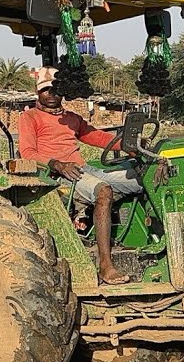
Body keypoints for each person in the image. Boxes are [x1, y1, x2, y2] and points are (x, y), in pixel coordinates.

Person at [17, 67, 141, 285]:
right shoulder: (30, 117)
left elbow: (96, 136)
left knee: (141, 178)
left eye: (55, 89)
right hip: (56, 174)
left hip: (83, 169)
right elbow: (28, 153)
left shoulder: (71, 118)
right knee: (103, 191)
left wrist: (128, 146)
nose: (51, 94)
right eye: (45, 89)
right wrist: (57, 164)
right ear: (37, 92)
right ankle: (105, 266)